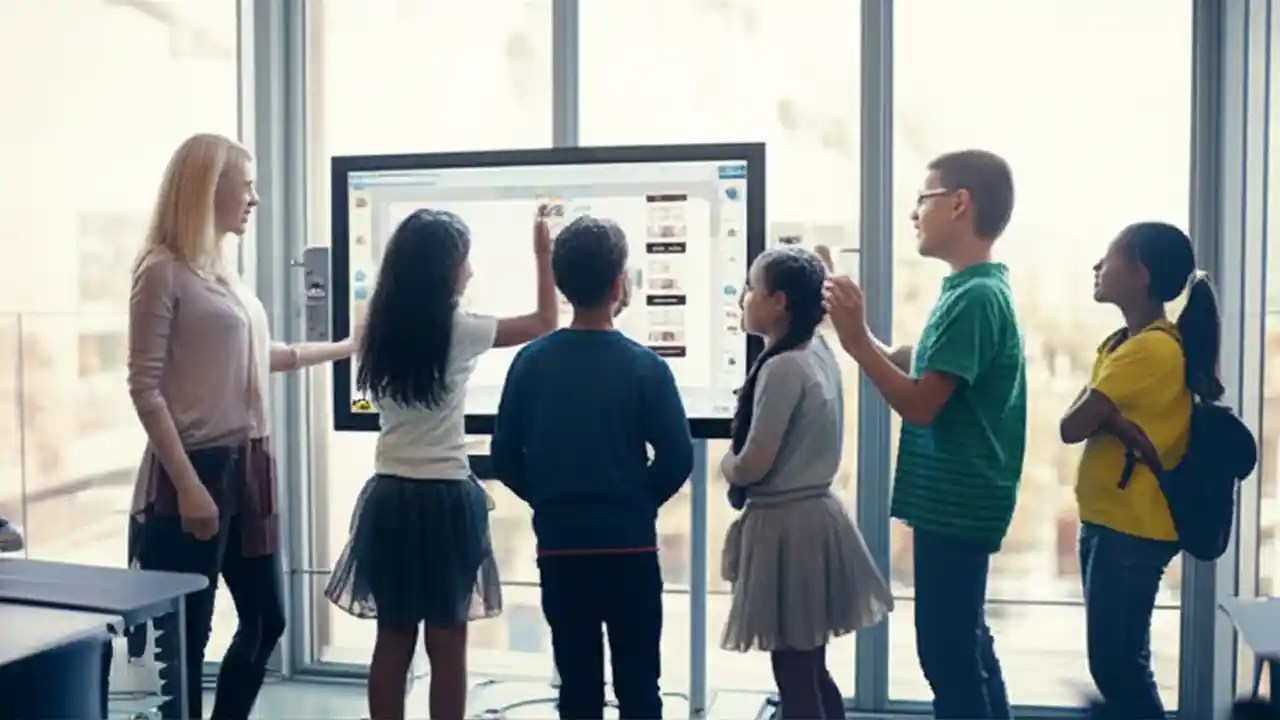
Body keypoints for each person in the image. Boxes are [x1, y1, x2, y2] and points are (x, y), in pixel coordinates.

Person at [127, 132, 358, 719]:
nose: (253, 198)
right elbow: (144, 387)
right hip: (195, 469)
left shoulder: (221, 276)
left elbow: (262, 354)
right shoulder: (162, 273)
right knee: (186, 635)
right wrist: (187, 486)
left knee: (266, 620)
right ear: (210, 187)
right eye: (246, 184)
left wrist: (347, 347)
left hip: (248, 465)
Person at [324, 207, 558, 720]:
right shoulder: (461, 329)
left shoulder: (377, 329)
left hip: (389, 496)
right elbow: (545, 323)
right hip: (445, 498)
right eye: (464, 260)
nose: (469, 271)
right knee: (448, 642)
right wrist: (544, 256)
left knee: (393, 639)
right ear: (443, 268)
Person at [824, 149, 1025, 719]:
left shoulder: (976, 297)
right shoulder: (970, 290)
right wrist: (855, 328)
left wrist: (858, 342)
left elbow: (920, 404)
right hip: (957, 500)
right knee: (967, 644)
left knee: (947, 655)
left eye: (923, 198)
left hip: (958, 502)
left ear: (959, 204)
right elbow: (920, 369)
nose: (914, 213)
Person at [490, 216, 693, 720]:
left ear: (560, 284)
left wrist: (549, 497)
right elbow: (678, 458)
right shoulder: (646, 366)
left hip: (561, 548)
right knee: (640, 686)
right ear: (619, 283)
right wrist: (637, 500)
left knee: (577, 685)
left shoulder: (530, 363)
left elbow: (503, 456)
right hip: (629, 547)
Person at [719, 246, 893, 720]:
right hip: (815, 519)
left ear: (778, 302)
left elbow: (755, 461)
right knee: (810, 665)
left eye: (752, 288)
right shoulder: (816, 351)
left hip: (787, 528)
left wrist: (727, 467)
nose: (743, 299)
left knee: (794, 671)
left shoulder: (782, 366)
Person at [1059, 222, 1221, 719]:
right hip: (1114, 522)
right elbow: (1083, 417)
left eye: (1107, 258)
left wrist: (1104, 415)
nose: (1097, 268)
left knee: (1117, 667)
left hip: (1130, 528)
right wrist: (1113, 419)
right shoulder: (1123, 344)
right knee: (1121, 663)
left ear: (1140, 273)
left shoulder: (1149, 349)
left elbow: (1072, 425)